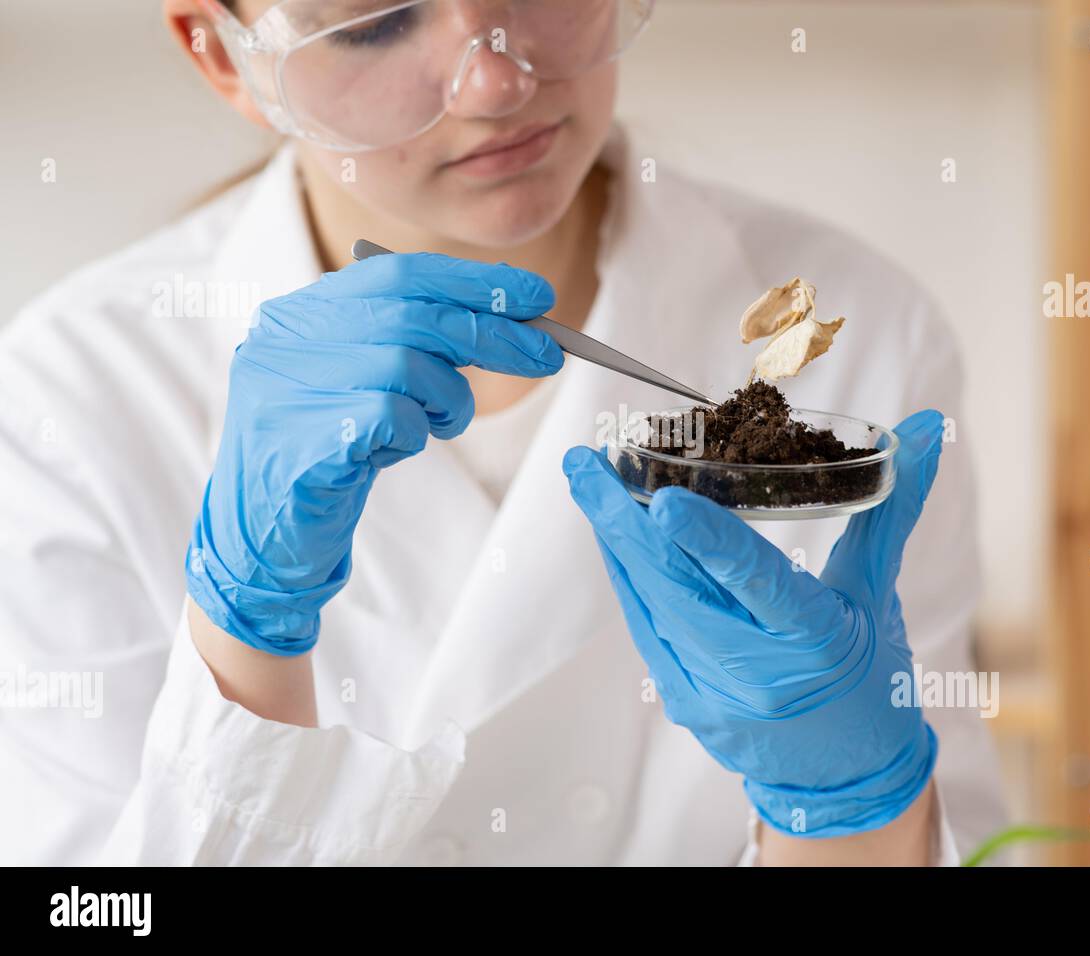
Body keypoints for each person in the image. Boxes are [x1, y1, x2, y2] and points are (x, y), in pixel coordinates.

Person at [0, 0, 1005, 865]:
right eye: (379, 20)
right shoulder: (70, 399)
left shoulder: (854, 333)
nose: (492, 80)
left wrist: (849, 810)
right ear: (224, 53)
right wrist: (242, 639)